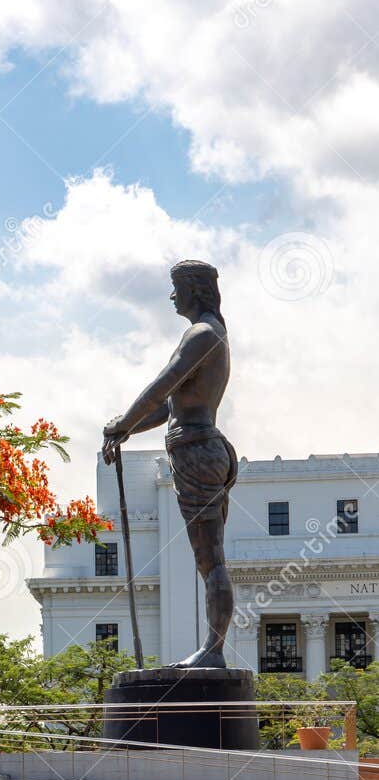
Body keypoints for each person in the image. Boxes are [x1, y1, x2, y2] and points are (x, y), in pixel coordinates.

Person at [102, 260, 237, 669]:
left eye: (176, 288)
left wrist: (121, 421)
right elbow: (167, 406)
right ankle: (211, 651)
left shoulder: (201, 334)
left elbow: (162, 384)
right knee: (208, 557)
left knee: (209, 558)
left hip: (198, 450)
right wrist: (128, 431)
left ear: (194, 290)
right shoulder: (212, 334)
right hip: (201, 447)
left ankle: (212, 652)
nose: (171, 296)